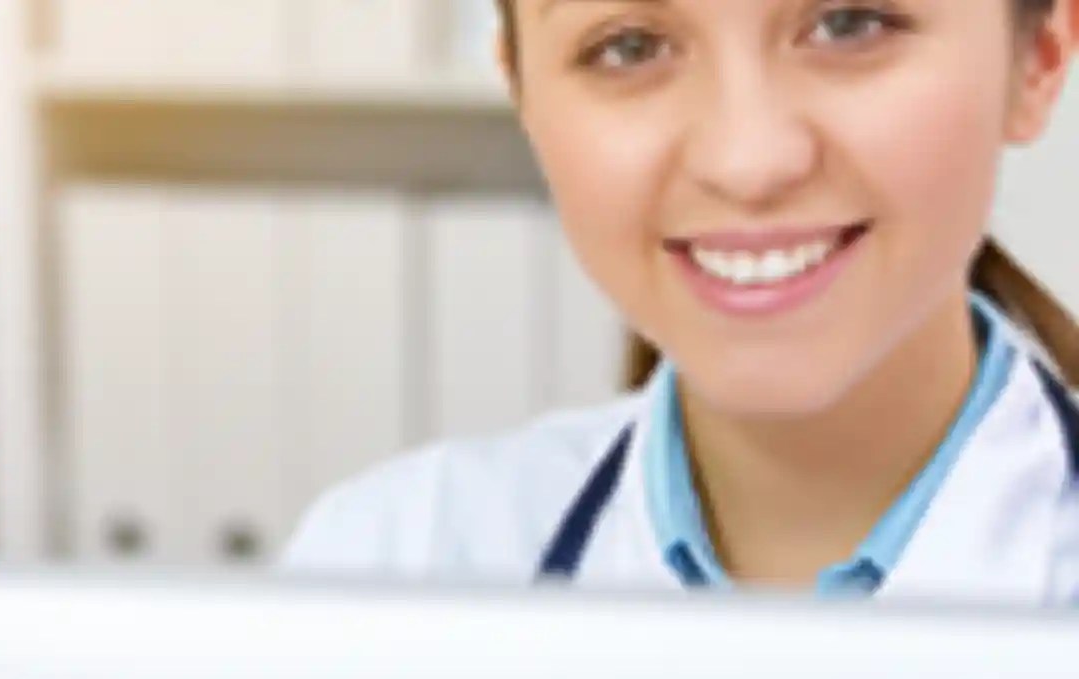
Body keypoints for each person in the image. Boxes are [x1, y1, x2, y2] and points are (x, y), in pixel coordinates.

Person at [282, 0, 1079, 604]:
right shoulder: (390, 564)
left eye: (849, 23)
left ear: (1038, 59)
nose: (748, 161)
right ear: (525, 99)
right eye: (629, 47)